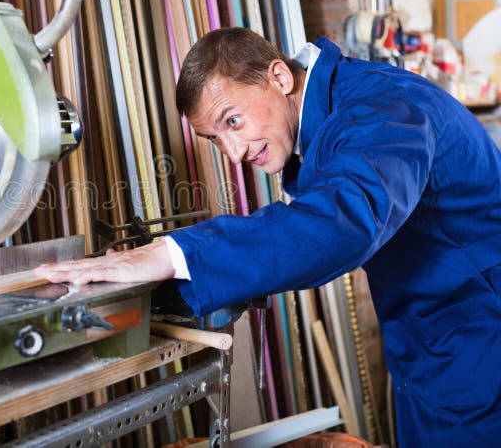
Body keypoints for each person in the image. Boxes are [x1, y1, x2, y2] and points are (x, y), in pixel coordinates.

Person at [35, 27, 501, 445]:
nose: (233, 153)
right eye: (215, 139)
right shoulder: (335, 110)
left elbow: (341, 220)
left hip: (480, 335)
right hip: (438, 335)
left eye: (232, 121)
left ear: (279, 77)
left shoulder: (378, 110)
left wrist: (176, 253)